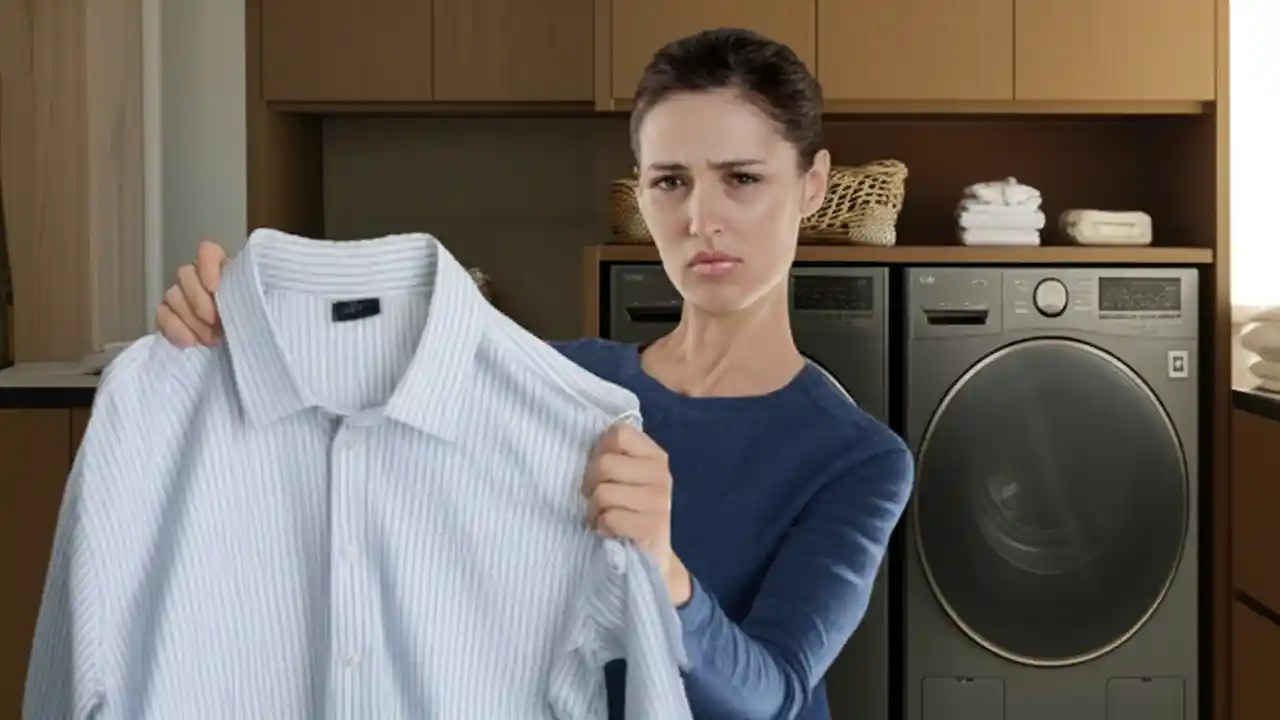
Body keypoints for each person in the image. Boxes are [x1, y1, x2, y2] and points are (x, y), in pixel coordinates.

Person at [154, 27, 913, 720]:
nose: (699, 219)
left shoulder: (857, 459)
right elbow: (361, 457)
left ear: (811, 185)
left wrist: (662, 566)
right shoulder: (557, 381)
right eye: (670, 181)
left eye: (741, 178)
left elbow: (772, 695)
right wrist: (240, 336)